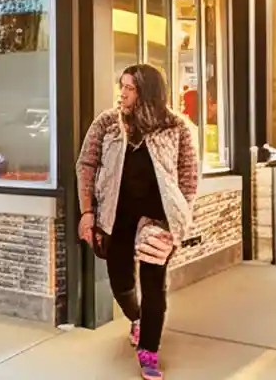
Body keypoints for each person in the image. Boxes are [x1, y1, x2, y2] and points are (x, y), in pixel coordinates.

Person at [76, 64, 198, 380]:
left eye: (129, 87)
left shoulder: (177, 127)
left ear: (145, 92)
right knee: (119, 279)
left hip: (158, 219)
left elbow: (188, 178)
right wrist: (88, 212)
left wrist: (178, 220)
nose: (123, 93)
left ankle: (149, 352)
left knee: (154, 285)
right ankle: (137, 318)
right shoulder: (107, 124)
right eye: (122, 86)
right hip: (114, 216)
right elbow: (86, 165)